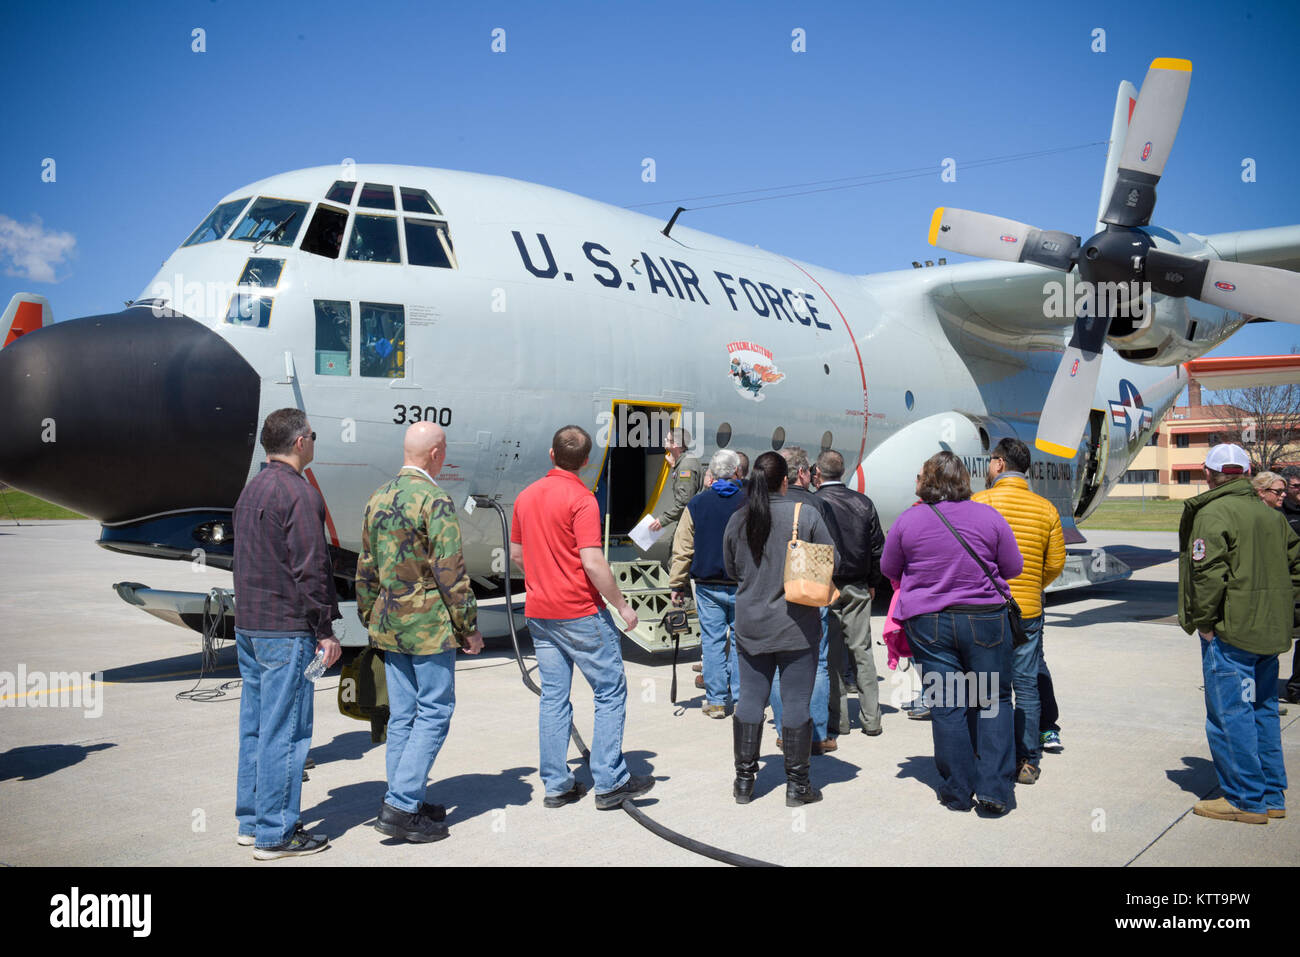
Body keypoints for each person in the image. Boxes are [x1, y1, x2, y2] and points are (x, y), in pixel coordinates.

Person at [510, 425, 655, 809]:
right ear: (588, 461)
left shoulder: (526, 497)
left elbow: (516, 555)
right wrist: (621, 605)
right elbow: (592, 562)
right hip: (579, 612)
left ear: (552, 454)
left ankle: (557, 784)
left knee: (554, 698)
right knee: (609, 691)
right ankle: (609, 781)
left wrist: (544, 578)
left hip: (540, 613)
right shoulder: (582, 499)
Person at [356, 422, 485, 844]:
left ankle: (403, 795)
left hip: (390, 623)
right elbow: (450, 571)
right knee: (434, 712)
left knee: (404, 716)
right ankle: (401, 803)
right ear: (436, 454)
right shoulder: (435, 500)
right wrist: (468, 627)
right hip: (428, 628)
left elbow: (365, 566)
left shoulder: (378, 496)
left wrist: (369, 615)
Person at [881, 451, 1022, 815]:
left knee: (948, 704)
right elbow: (1013, 567)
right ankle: (994, 788)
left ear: (926, 481)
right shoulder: (988, 516)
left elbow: (888, 567)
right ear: (963, 479)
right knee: (992, 700)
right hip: (984, 619)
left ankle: (958, 790)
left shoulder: (908, 520)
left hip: (929, 622)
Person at [233, 408, 341, 859]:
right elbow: (311, 568)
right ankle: (276, 833)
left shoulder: (251, 489)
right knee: (288, 732)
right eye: (313, 435)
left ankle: (252, 820)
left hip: (250, 626)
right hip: (286, 629)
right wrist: (325, 629)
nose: (314, 441)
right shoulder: (300, 493)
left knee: (256, 728)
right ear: (300, 442)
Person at [1179, 444, 1299, 824]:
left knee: (1230, 716)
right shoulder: (1272, 516)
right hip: (1267, 632)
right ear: (1248, 472)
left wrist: (1204, 623)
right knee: (1263, 710)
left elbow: (1207, 574)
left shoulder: (1213, 512)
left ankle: (1245, 798)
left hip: (1231, 635)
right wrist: (1284, 612)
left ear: (1207, 473)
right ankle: (1271, 794)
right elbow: (1295, 567)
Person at [724, 451, 836, 806]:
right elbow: (832, 562)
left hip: (750, 624)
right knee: (796, 702)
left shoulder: (738, 520)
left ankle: (744, 781)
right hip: (796, 626)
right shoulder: (806, 514)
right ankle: (797, 786)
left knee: (750, 699)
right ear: (785, 480)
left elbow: (731, 569)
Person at [972, 438, 1066, 786]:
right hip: (1027, 608)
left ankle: (990, 753)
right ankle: (1028, 759)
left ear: (999, 464)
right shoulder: (1046, 509)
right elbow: (1056, 563)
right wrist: (1032, 583)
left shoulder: (979, 503)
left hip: (985, 608)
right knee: (1026, 684)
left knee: (986, 685)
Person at [669, 449, 747, 718]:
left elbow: (683, 548)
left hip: (707, 584)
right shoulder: (749, 502)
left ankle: (716, 702)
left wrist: (677, 584)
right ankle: (741, 701)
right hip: (742, 583)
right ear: (737, 472)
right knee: (740, 643)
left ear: (711, 474)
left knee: (712, 643)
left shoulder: (697, 504)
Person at [815, 449, 886, 741]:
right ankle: (872, 719)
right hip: (858, 584)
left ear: (817, 473)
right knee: (862, 652)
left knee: (832, 655)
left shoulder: (815, 503)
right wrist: (873, 582)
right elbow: (877, 548)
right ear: (843, 472)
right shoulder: (863, 502)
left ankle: (839, 720)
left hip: (827, 585)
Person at [769, 447, 835, 752]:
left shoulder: (760, 506)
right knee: (817, 663)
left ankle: (785, 733)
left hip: (771, 596)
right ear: (800, 473)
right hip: (809, 591)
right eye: (809, 470)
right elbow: (833, 554)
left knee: (777, 665)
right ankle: (818, 735)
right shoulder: (817, 504)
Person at [648, 427, 704, 534]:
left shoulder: (685, 467)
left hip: (691, 524)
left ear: (675, 445)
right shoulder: (685, 462)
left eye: (667, 439)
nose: (665, 440)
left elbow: (684, 504)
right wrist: (675, 466)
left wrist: (662, 520)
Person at [1281, 466, 1300, 704]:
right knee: (1275, 640)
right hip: (1285, 587)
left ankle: (1296, 688)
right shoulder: (1279, 513)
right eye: (1296, 486)